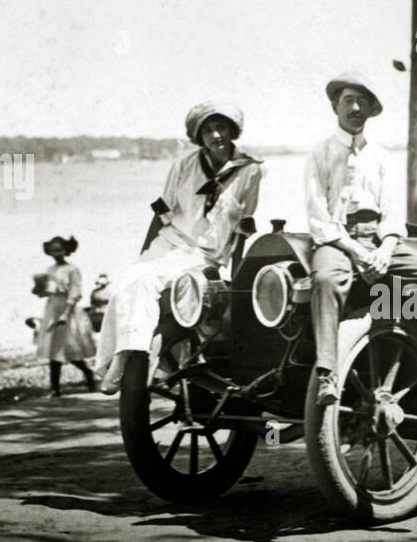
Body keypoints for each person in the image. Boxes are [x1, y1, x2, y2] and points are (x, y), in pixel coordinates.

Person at [305, 71, 417, 408]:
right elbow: (318, 217)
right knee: (325, 279)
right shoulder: (319, 154)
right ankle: (327, 375)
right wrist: (354, 251)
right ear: (335, 105)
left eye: (361, 102)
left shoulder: (381, 156)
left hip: (378, 240)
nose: (354, 108)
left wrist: (386, 248)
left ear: (370, 110)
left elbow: (393, 213)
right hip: (336, 241)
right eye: (348, 100)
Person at [96, 101, 263, 393]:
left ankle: (146, 362)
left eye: (221, 127)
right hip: (170, 243)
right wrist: (144, 257)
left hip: (207, 255)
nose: (215, 136)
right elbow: (161, 214)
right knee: (130, 284)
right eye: (208, 130)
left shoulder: (249, 171)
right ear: (199, 136)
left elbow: (242, 228)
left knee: (176, 296)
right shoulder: (184, 165)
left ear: (232, 130)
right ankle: (123, 358)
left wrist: (236, 277)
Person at [33, 235, 97, 396]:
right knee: (53, 348)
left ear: (67, 250)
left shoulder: (72, 269)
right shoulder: (50, 270)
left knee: (68, 347)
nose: (57, 253)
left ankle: (88, 373)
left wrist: (65, 314)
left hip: (67, 309)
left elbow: (75, 291)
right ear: (49, 251)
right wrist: (39, 290)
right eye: (53, 250)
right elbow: (48, 291)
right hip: (52, 309)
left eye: (60, 249)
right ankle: (55, 388)